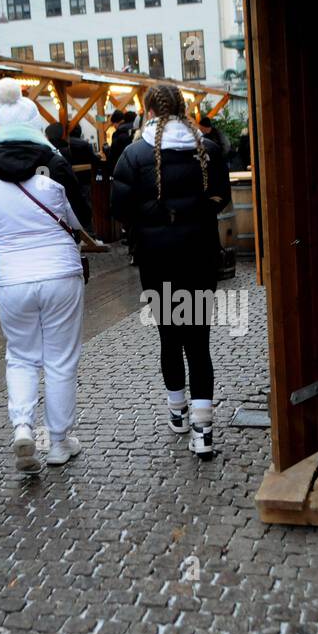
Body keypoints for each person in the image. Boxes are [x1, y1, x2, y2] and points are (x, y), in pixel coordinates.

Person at [111, 84, 231, 459]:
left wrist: (150, 220)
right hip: (199, 256)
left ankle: (177, 413)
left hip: (157, 259)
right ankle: (203, 432)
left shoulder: (134, 154)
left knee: (169, 337)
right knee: (198, 342)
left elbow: (120, 209)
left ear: (148, 111)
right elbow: (222, 197)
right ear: (183, 109)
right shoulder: (206, 149)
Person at [0, 77, 86, 473]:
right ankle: (58, 442)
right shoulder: (55, 165)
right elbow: (80, 220)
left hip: (12, 276)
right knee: (60, 358)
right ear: (34, 124)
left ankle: (23, 426)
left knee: (20, 356)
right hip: (59, 272)